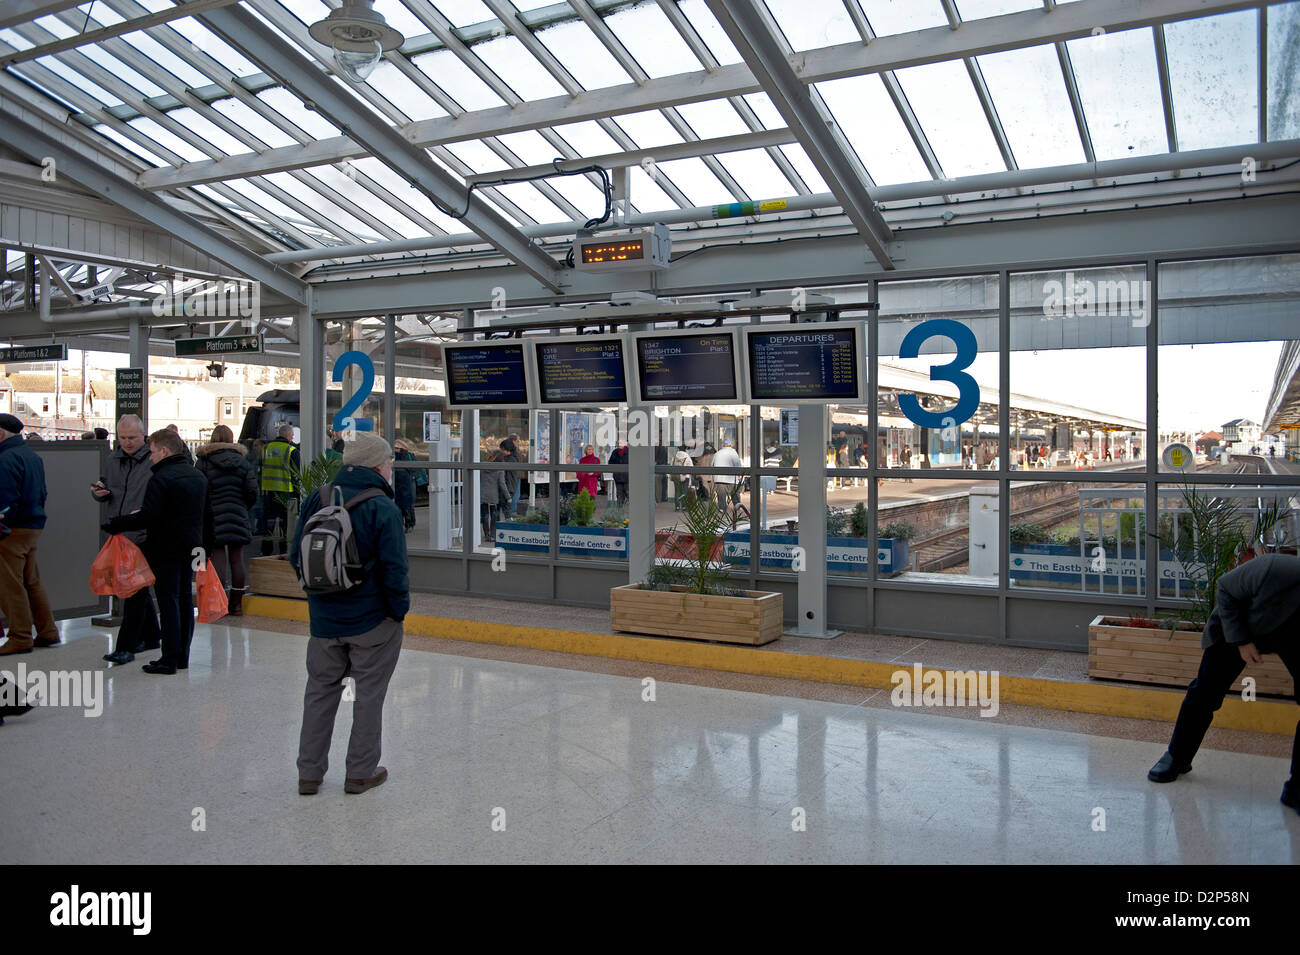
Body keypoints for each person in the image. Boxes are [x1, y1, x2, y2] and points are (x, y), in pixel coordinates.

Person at [291, 432, 408, 796]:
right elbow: (394, 570)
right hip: (372, 622)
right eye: (389, 462)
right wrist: (397, 612)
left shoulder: (318, 497)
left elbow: (297, 555)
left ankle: (308, 775)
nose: (391, 469)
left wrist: (320, 602)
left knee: (320, 693)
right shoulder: (382, 507)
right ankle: (360, 772)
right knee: (368, 695)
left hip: (324, 622)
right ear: (378, 464)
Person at [1149, 554, 1300, 814]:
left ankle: (1297, 790)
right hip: (1238, 627)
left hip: (1292, 635)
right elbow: (1226, 588)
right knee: (1205, 694)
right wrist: (1241, 641)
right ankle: (1177, 757)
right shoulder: (1276, 569)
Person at [103, 428, 206, 675]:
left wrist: (118, 523)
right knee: (183, 600)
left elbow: (149, 517)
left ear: (164, 450)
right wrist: (206, 551)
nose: (150, 458)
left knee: (168, 601)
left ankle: (168, 659)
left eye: (152, 452)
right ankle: (182, 656)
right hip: (193, 546)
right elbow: (206, 516)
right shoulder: (197, 476)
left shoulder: (161, 478)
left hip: (164, 547)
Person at [92, 414, 162, 664]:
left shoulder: (153, 461)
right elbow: (108, 489)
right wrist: (99, 493)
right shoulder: (113, 459)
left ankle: (126, 646)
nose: (127, 442)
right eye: (122, 437)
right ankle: (153, 636)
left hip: (143, 533)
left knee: (134, 592)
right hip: (121, 533)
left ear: (143, 435)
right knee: (138, 589)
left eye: (132, 437)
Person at [0, 413, 59, 655]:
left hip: (11, 530)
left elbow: (4, 500)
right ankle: (47, 630)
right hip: (32, 526)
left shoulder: (5, 459)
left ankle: (20, 636)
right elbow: (41, 492)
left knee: (9, 585)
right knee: (31, 581)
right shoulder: (30, 455)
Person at [195, 425, 258, 616]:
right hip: (238, 513)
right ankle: (236, 605)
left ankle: (219, 603)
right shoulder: (243, 462)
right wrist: (242, 508)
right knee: (237, 560)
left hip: (213, 516)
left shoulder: (203, 462)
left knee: (218, 559)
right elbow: (252, 491)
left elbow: (199, 490)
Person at [261, 424, 299, 556]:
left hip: (268, 491)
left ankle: (266, 550)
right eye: (292, 434)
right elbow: (297, 474)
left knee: (268, 523)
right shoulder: (291, 450)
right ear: (288, 435)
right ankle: (283, 550)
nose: (293, 437)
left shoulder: (266, 448)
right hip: (285, 492)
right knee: (284, 523)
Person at [479, 446, 507, 540]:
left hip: (482, 495)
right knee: (494, 516)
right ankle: (492, 535)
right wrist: (508, 496)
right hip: (493, 496)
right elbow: (502, 484)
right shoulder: (500, 469)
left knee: (485, 516)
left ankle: (486, 534)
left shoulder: (482, 465)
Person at [392, 438, 417, 532]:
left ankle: (409, 523)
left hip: (406, 483)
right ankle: (407, 524)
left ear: (402, 448)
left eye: (396, 447)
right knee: (402, 504)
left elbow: (413, 469)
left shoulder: (407, 456)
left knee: (407, 505)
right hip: (401, 483)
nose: (395, 449)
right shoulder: (404, 456)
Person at [712, 438, 743, 511]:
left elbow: (712, 465)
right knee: (735, 494)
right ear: (731, 446)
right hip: (732, 478)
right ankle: (737, 507)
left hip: (719, 479)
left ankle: (722, 508)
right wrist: (740, 475)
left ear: (723, 445)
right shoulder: (733, 453)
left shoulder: (717, 453)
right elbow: (737, 465)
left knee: (721, 495)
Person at [498, 437, 520, 519]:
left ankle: (510, 526)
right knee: (506, 509)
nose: (501, 451)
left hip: (508, 487)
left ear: (507, 449)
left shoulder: (510, 460)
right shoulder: (514, 457)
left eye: (502, 449)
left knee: (506, 510)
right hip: (510, 487)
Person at [607, 440, 629, 505]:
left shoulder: (629, 452)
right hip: (618, 476)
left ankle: (629, 510)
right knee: (619, 494)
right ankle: (620, 510)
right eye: (618, 443)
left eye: (621, 443)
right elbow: (610, 462)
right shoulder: (615, 452)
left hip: (627, 476)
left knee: (628, 493)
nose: (619, 444)